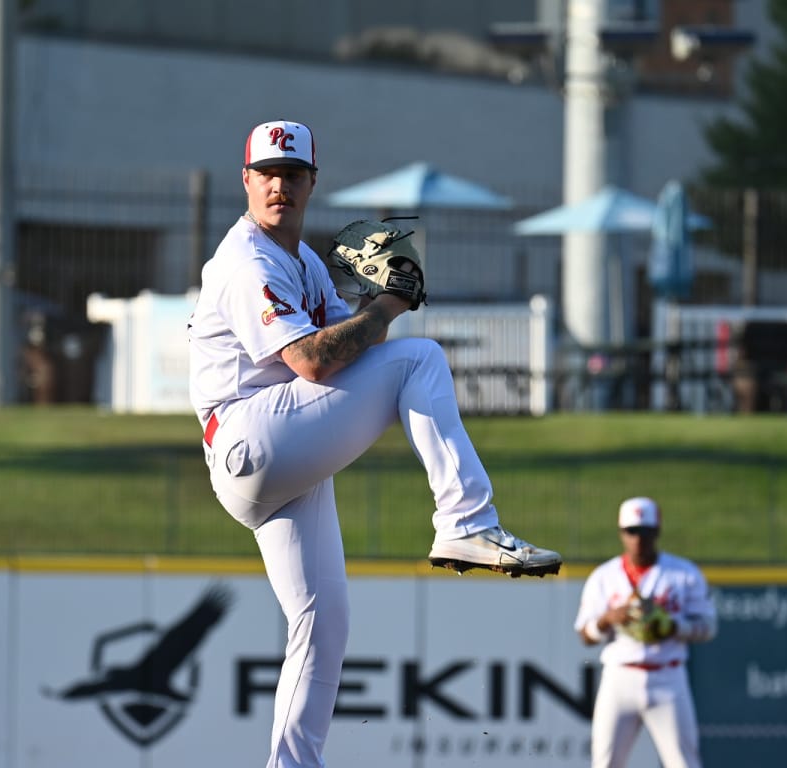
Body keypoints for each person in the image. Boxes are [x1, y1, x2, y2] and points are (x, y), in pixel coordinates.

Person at [187, 118, 562, 768]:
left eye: (293, 174)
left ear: (311, 183)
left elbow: (356, 344)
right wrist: (388, 305)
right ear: (246, 181)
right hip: (252, 438)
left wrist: (378, 298)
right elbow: (312, 360)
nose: (280, 185)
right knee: (422, 362)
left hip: (280, 455)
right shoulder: (246, 260)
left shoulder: (299, 260)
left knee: (323, 624)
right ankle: (466, 522)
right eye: (268, 173)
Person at [573, 496, 716, 768]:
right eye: (632, 531)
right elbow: (585, 635)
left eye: (645, 532)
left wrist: (674, 626)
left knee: (684, 763)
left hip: (668, 676)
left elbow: (708, 627)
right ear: (621, 533)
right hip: (620, 678)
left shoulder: (683, 574)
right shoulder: (604, 576)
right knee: (604, 764)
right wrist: (607, 619)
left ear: (657, 531)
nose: (638, 539)